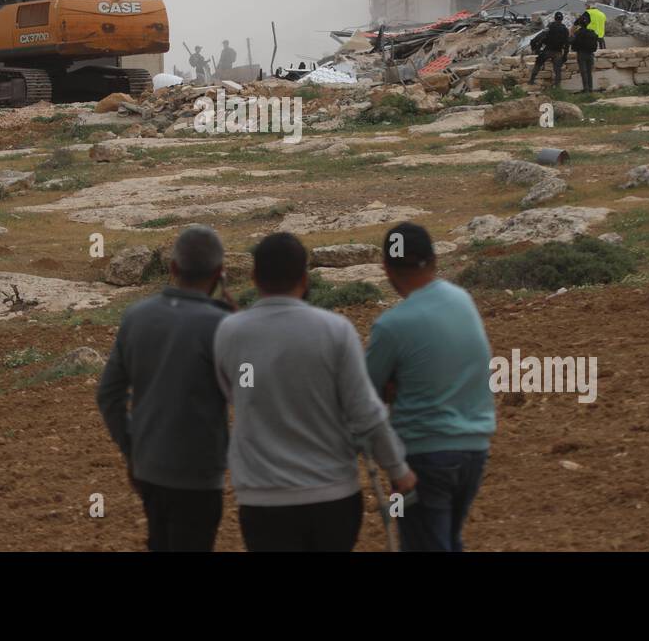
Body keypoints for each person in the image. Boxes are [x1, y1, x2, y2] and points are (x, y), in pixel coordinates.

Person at [214, 232, 415, 551]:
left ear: (253, 278)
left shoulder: (229, 332)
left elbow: (235, 395)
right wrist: (398, 470)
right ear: (305, 279)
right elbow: (365, 412)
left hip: (262, 498)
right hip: (331, 496)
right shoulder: (335, 330)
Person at [96, 225, 234, 551]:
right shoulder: (223, 326)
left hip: (149, 467)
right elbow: (249, 390)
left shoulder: (136, 316)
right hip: (200, 473)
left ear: (172, 268)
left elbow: (108, 394)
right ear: (219, 273)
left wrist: (132, 449)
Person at [366, 223, 495, 552]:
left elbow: (364, 393)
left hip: (421, 458)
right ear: (434, 259)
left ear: (386, 268)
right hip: (474, 450)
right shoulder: (463, 301)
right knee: (446, 540)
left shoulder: (391, 326)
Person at [527, 11, 570, 88]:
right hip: (558, 52)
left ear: (555, 18)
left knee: (538, 63)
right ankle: (557, 87)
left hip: (547, 50)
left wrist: (535, 48)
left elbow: (539, 37)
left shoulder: (550, 27)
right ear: (562, 19)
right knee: (557, 70)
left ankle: (531, 80)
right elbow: (567, 44)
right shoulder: (565, 29)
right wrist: (565, 56)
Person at [571, 12, 600, 94]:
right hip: (590, 54)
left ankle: (586, 89)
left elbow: (573, 43)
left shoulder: (578, 33)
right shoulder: (592, 32)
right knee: (589, 72)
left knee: (583, 72)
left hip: (581, 54)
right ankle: (590, 89)